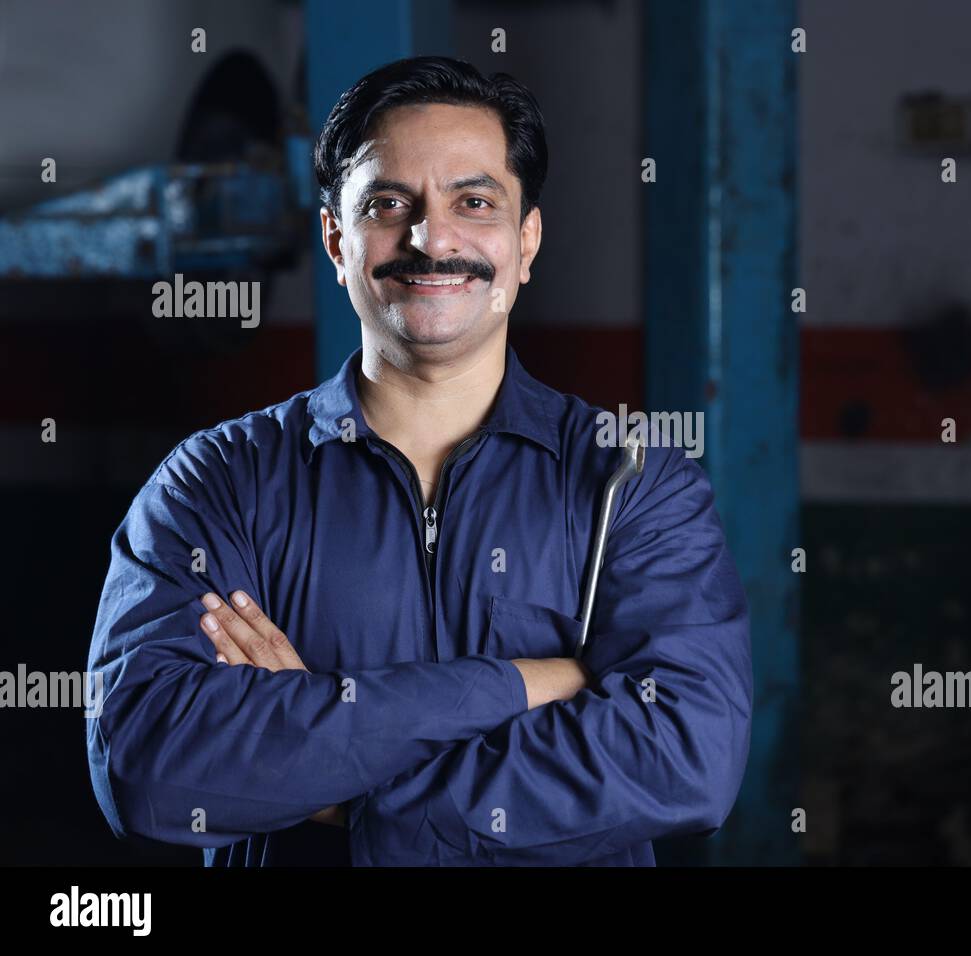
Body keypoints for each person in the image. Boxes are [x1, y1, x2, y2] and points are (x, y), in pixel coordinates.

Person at [85, 55, 752, 866]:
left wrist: (346, 795)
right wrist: (524, 684)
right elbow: (149, 767)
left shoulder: (636, 487)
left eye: (474, 202)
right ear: (336, 239)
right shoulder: (219, 483)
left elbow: (685, 758)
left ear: (525, 240)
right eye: (389, 203)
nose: (432, 239)